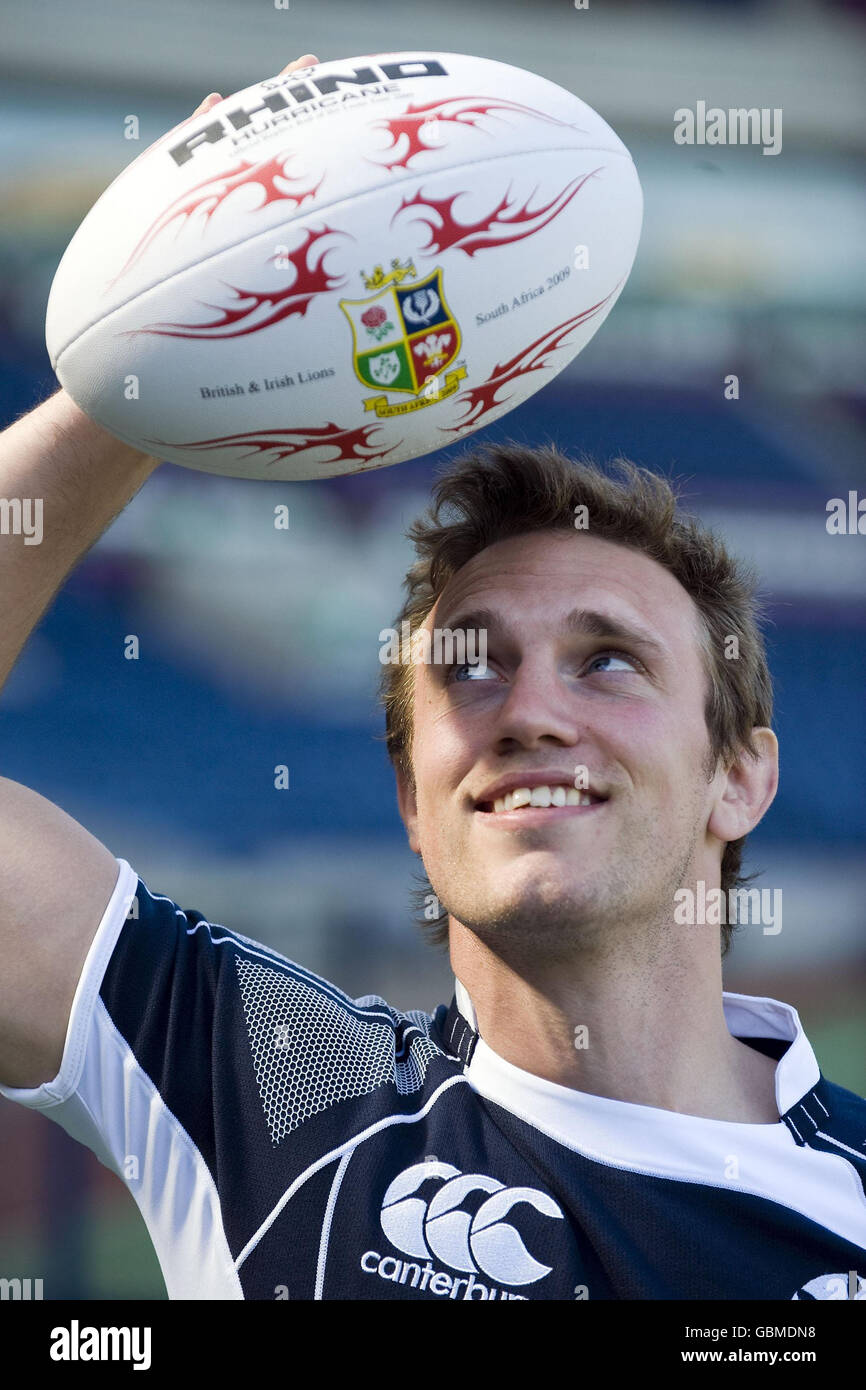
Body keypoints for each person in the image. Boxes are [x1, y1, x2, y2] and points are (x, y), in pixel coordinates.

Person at [1, 58, 864, 1304]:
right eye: (466, 668)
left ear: (738, 774)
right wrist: (147, 352)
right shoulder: (268, 1084)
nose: (528, 710)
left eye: (606, 659)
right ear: (411, 796)